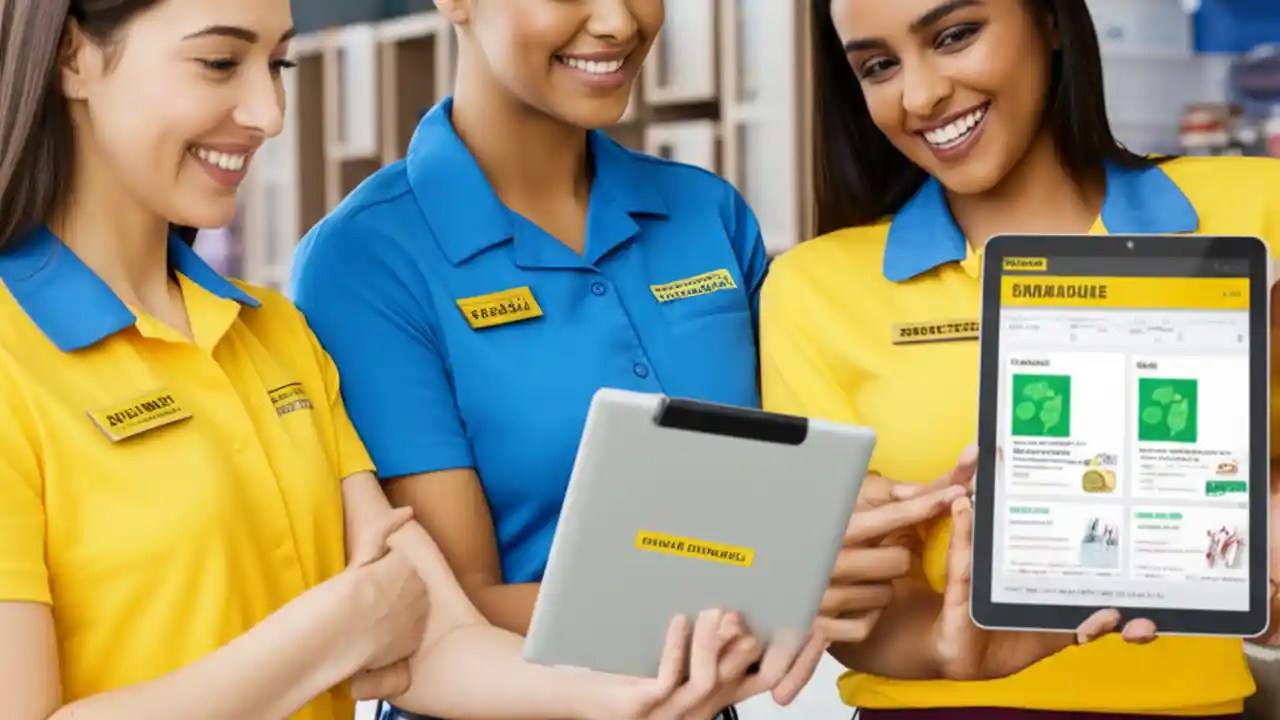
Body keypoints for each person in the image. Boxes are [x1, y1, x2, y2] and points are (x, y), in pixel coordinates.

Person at [0, 1, 797, 719]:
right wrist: (332, 632)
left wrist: (627, 698)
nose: (269, 112)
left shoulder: (272, 334)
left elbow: (433, 636)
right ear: (74, 57)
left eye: (278, 65)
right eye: (218, 63)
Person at [290, 0, 980, 718]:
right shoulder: (366, 260)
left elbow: (777, 496)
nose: (619, 21)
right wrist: (771, 586)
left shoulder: (706, 213)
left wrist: (874, 515)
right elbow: (448, 606)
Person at [759, 0, 1280, 717]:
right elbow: (852, 597)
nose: (919, 96)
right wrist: (954, 652)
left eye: (954, 36)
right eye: (878, 66)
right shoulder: (813, 289)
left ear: (1052, 20)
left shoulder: (1258, 211)